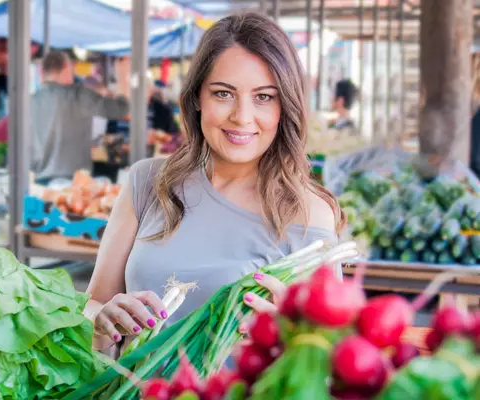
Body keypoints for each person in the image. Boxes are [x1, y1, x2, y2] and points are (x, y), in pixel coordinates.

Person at [84, 12, 346, 356]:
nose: (242, 116)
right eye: (223, 93)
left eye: (264, 97)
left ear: (286, 106)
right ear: (197, 98)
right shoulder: (147, 182)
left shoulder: (307, 214)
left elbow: (333, 353)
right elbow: (91, 305)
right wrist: (102, 317)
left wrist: (294, 340)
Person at [30, 50, 130, 181]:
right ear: (66, 70)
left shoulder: (29, 102)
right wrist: (123, 75)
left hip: (38, 183)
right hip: (74, 184)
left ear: (42, 73)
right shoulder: (79, 95)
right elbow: (120, 109)